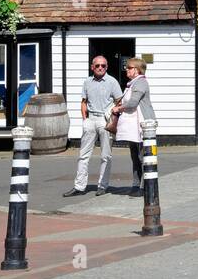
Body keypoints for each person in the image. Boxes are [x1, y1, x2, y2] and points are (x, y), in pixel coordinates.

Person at [64, 54, 124, 197]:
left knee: (106, 156)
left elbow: (119, 102)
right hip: (90, 119)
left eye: (103, 65)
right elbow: (84, 102)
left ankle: (102, 186)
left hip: (105, 120)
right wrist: (85, 119)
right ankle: (79, 187)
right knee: (83, 155)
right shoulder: (87, 82)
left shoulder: (112, 82)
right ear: (92, 67)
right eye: (97, 65)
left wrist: (113, 117)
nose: (100, 68)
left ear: (107, 67)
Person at [110, 56, 156, 195]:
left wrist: (118, 109)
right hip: (132, 126)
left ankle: (144, 187)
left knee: (143, 157)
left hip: (142, 126)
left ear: (137, 70)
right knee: (134, 156)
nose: (126, 70)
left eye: (129, 68)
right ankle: (136, 184)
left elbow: (133, 103)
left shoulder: (141, 83)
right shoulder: (131, 84)